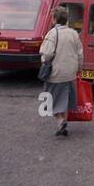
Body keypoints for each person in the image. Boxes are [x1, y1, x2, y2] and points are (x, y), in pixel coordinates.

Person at [38, 7, 83, 137]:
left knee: (51, 100)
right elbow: (80, 54)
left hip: (55, 74)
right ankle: (63, 123)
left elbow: (46, 54)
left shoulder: (52, 34)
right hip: (70, 73)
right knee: (66, 100)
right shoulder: (74, 33)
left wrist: (43, 60)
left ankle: (60, 120)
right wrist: (79, 68)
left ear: (55, 19)